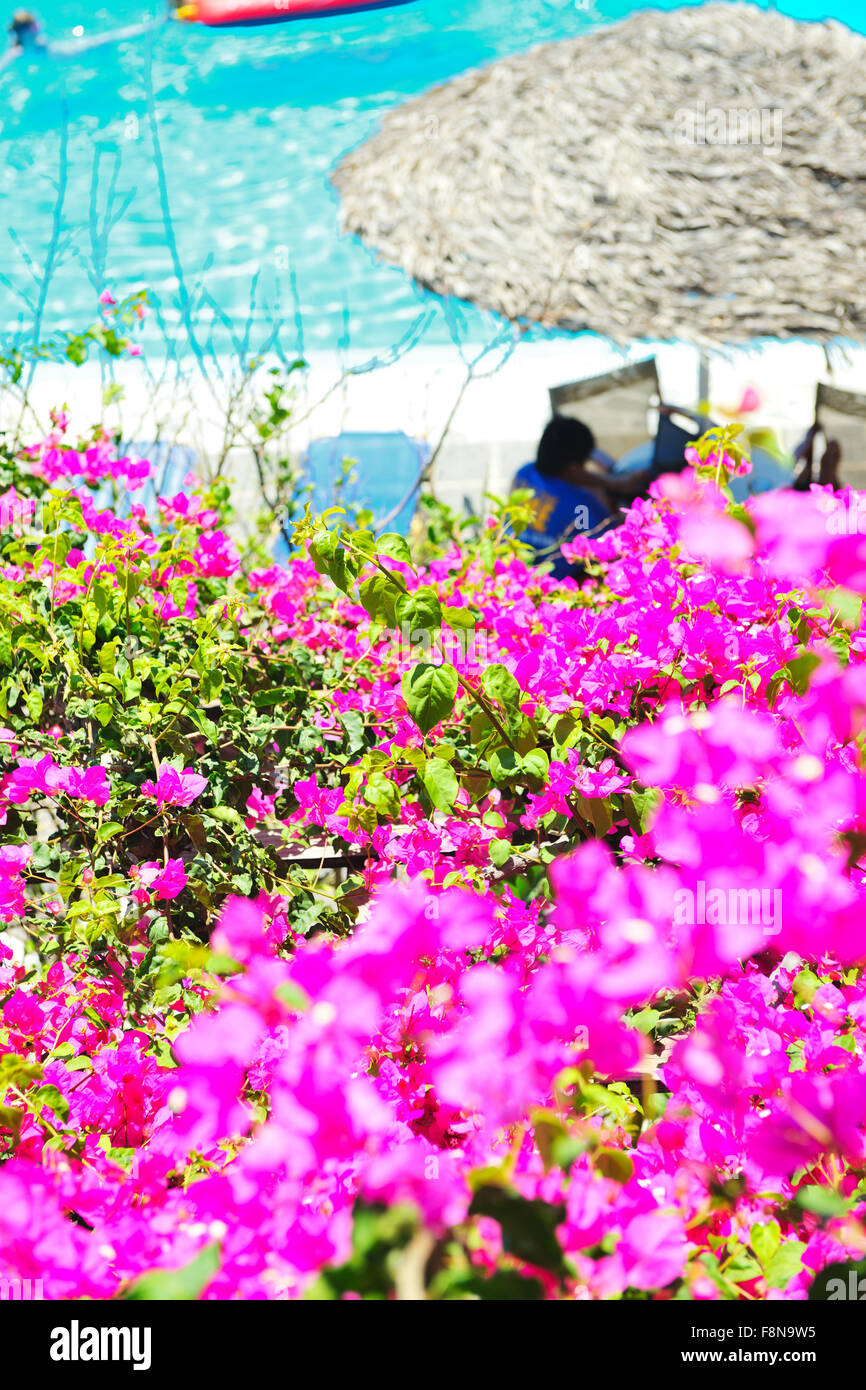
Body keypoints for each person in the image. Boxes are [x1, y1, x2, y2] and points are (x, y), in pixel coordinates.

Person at [512, 415, 651, 578]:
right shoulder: (581, 506)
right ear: (574, 467)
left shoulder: (524, 473)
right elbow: (609, 545)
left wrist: (612, 483)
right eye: (584, 463)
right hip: (558, 581)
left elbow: (570, 478)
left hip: (516, 568)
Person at [1, 6, 160, 69]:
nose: (38, 29)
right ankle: (157, 24)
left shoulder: (35, 45)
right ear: (24, 32)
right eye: (34, 27)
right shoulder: (16, 53)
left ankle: (155, 25)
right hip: (73, 55)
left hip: (77, 51)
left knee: (111, 39)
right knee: (110, 41)